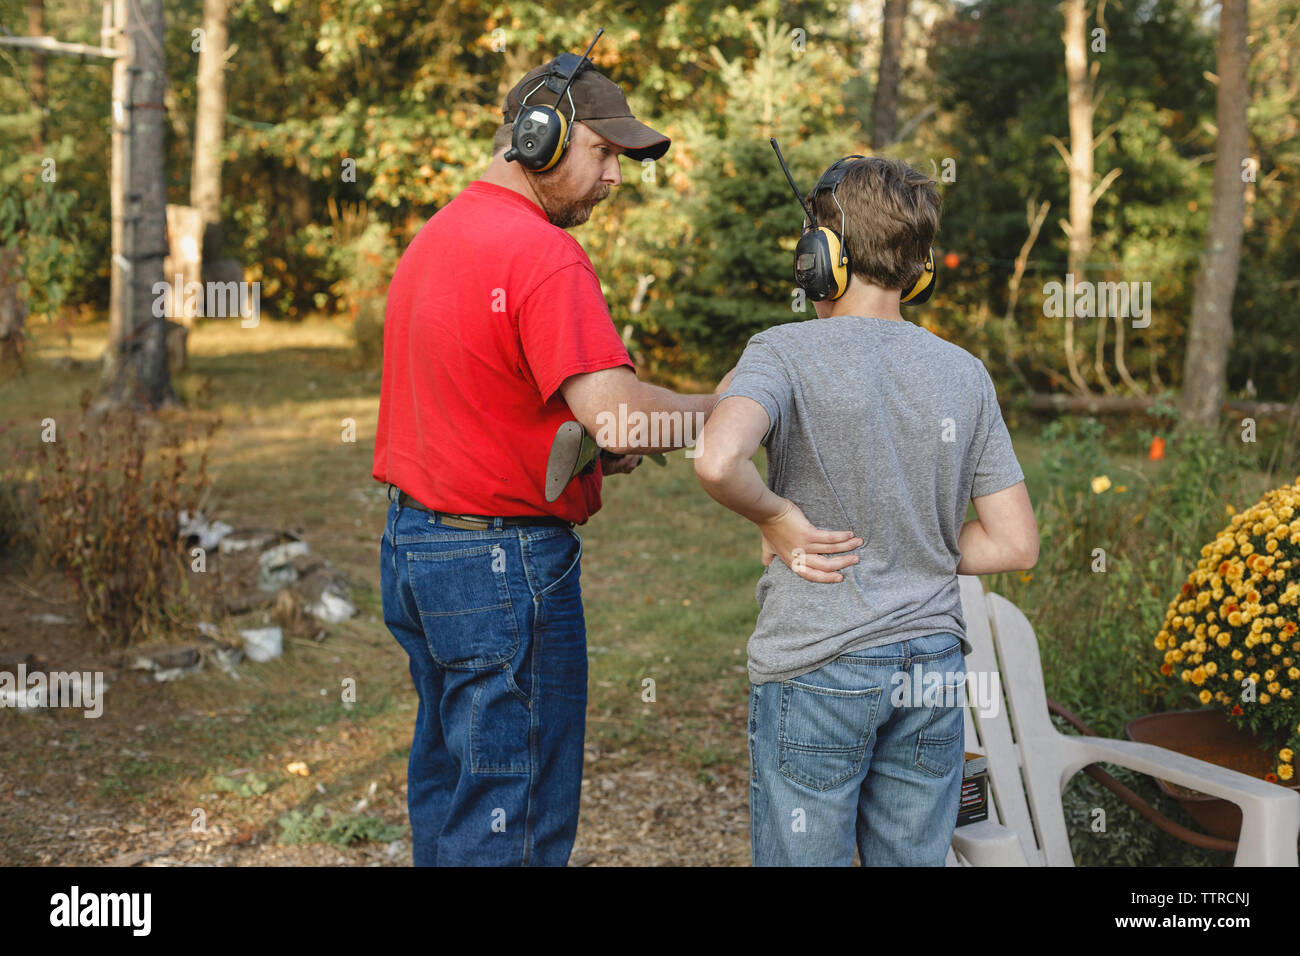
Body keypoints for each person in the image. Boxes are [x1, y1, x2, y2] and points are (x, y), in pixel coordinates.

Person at [372, 55, 859, 867]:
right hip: (502, 570)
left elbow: (509, 401)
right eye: (602, 154)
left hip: (418, 552)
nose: (613, 179)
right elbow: (628, 420)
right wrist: (736, 413)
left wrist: (600, 442)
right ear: (540, 137)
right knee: (513, 816)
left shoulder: (440, 235)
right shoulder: (542, 254)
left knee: (457, 788)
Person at [693, 155, 1039, 867]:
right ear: (920, 270)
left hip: (821, 664)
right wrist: (911, 544)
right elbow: (1014, 544)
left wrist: (776, 518)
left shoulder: (781, 353)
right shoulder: (963, 372)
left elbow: (718, 459)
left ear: (819, 261)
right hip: (934, 666)